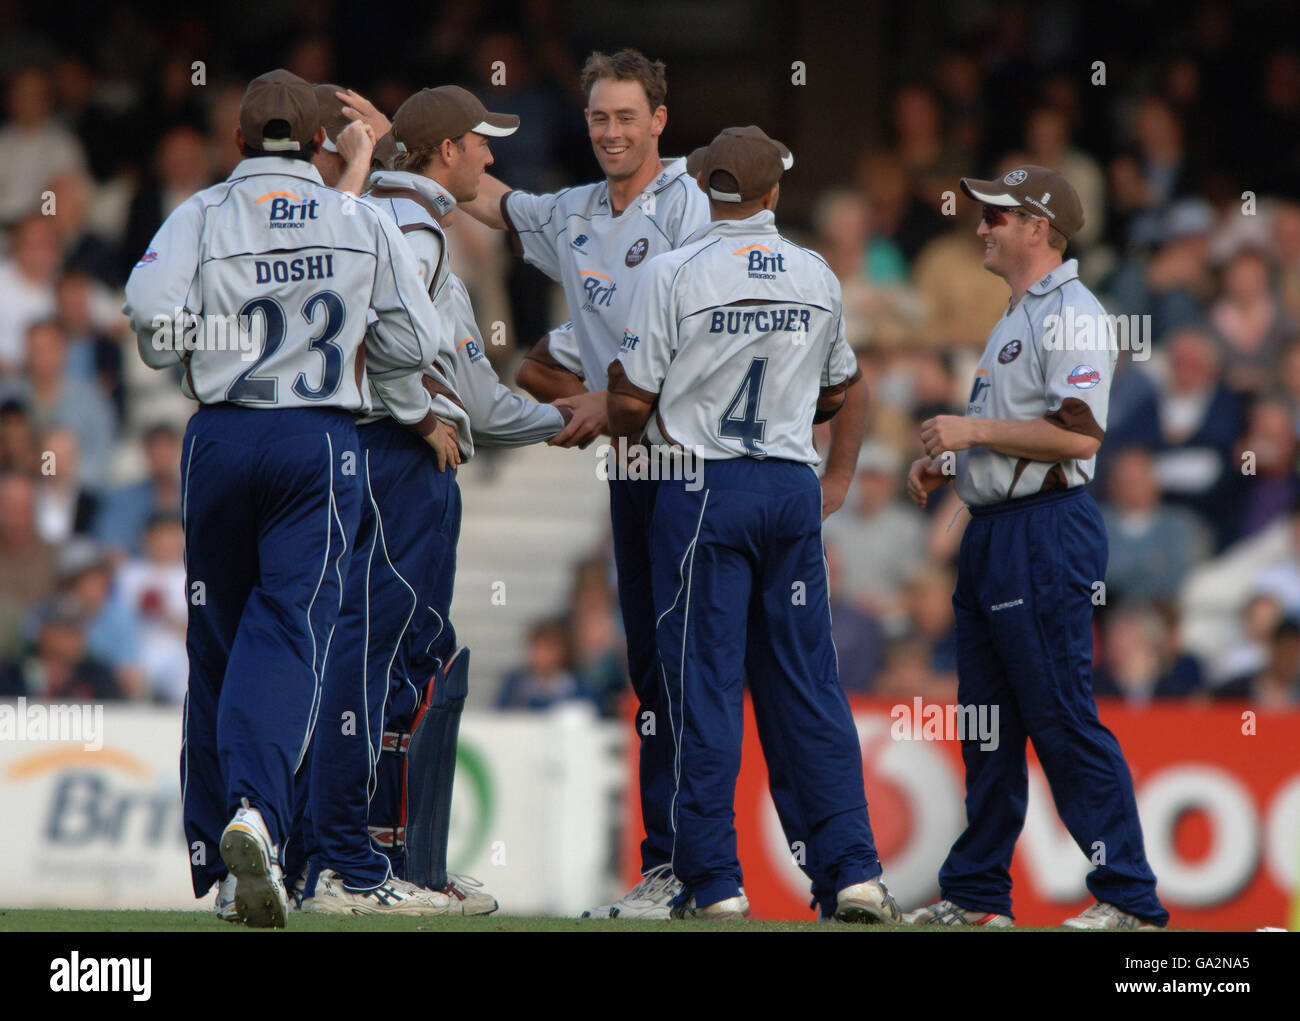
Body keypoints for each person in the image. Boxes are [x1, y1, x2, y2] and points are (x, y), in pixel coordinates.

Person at [123, 69, 461, 928]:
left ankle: (224, 849)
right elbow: (413, 340)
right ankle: (258, 816)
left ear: (237, 140)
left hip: (221, 436)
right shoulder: (358, 218)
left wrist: (220, 333)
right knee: (290, 634)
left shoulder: (199, 212)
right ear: (318, 143)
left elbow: (154, 330)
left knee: (220, 642)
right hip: (318, 441)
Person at [607, 126, 897, 924]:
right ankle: (853, 872)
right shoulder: (817, 273)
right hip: (789, 489)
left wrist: (624, 411)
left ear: (706, 189)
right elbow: (840, 391)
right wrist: (832, 476)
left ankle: (715, 879)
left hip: (704, 489)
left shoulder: (673, 272)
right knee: (810, 688)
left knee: (704, 690)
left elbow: (632, 405)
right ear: (772, 194)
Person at [457, 48, 711, 919]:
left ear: (659, 121)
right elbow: (490, 202)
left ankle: (706, 870)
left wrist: (617, 400)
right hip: (634, 469)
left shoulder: (695, 205)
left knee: (688, 671)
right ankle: (673, 865)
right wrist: (407, 146)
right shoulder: (570, 212)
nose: (610, 132)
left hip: (697, 467)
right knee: (652, 672)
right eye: (599, 117)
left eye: (626, 116)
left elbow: (716, 342)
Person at [300, 84, 563, 917]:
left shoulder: (417, 225)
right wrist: (419, 412)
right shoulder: (411, 229)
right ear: (447, 152)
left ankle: (396, 860)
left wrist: (571, 415)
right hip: (398, 460)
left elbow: (479, 398)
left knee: (411, 656)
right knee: (375, 655)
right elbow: (372, 335)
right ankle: (346, 860)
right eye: (481, 142)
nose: (491, 156)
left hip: (399, 460)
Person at [904, 164, 1168, 929]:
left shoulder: (1073, 313)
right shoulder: (1018, 313)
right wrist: (954, 461)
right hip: (997, 531)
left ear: (1039, 229)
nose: (980, 225)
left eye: (996, 215)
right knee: (987, 722)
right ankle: (979, 892)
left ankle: (1127, 895)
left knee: (1059, 713)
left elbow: (1080, 434)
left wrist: (971, 430)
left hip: (1044, 530)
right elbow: (1023, 435)